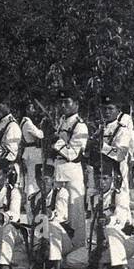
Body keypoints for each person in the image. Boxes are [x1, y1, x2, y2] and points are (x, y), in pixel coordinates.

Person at [49, 91, 89, 244]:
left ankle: (78, 247)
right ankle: (60, 248)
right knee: (58, 211)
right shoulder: (62, 121)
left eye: (67, 102)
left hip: (72, 171)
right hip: (59, 169)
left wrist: (56, 142)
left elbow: (73, 154)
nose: (63, 105)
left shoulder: (80, 126)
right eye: (62, 102)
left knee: (75, 212)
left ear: (76, 104)